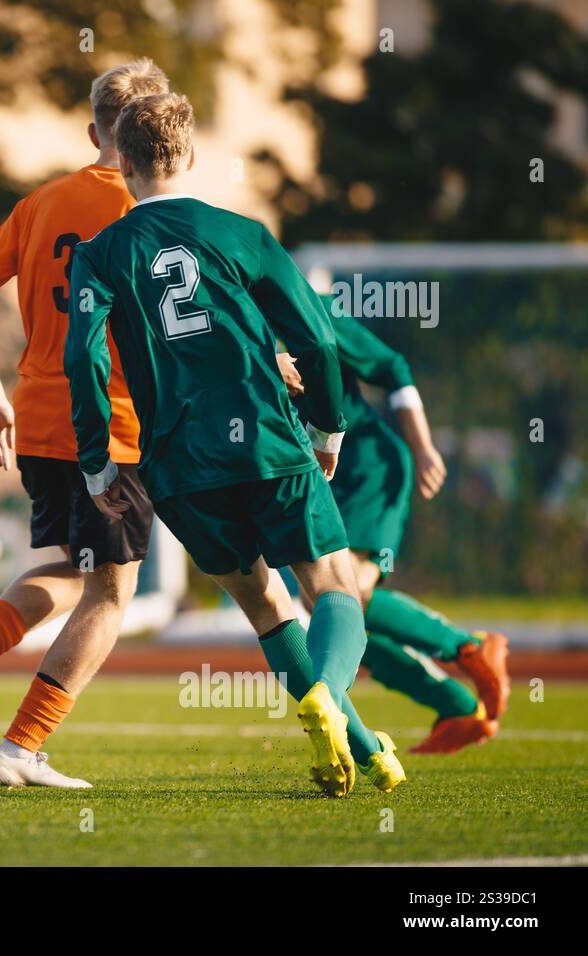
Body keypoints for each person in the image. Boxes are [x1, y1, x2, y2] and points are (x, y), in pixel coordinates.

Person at [65, 92, 405, 796]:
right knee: (334, 587)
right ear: (188, 157)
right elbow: (314, 335)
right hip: (267, 443)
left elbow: (83, 360)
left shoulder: (100, 254)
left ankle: (364, 746)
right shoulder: (240, 231)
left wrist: (97, 461)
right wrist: (329, 425)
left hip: (179, 467)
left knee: (266, 606)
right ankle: (328, 701)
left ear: (122, 162)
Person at [0, 60, 169, 789]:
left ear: (94, 130)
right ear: (159, 133)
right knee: (113, 593)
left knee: (78, 570)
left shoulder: (40, 204)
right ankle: (20, 748)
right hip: (112, 426)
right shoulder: (149, 212)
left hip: (37, 417)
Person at [275, 315, 509, 754]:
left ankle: (467, 648)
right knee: (334, 609)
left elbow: (392, 367)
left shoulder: (302, 303)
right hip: (317, 476)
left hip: (366, 467)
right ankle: (455, 702)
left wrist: (421, 446)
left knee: (347, 595)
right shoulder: (225, 316)